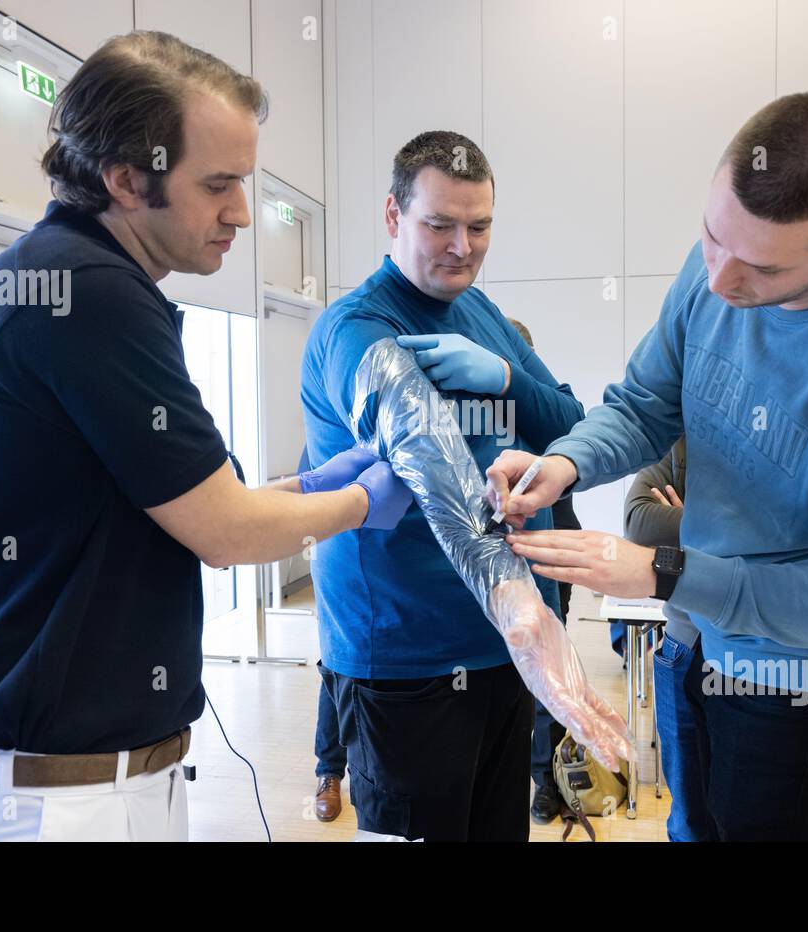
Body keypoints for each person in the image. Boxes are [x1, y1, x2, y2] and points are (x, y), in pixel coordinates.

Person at [0, 31, 411, 843]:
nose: (242, 212)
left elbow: (195, 503)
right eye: (219, 185)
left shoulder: (73, 277)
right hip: (49, 805)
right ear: (126, 179)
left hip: (92, 787)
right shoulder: (84, 290)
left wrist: (308, 491)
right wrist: (357, 501)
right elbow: (225, 531)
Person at [490, 92, 808, 841]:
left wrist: (663, 572)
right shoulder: (717, 263)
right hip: (693, 650)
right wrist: (565, 463)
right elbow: (645, 402)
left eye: (758, 267)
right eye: (712, 239)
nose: (718, 282)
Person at [300, 131, 589, 841]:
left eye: (480, 225)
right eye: (439, 224)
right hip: (409, 659)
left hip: (501, 650)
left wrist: (503, 377)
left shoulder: (482, 314)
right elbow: (431, 456)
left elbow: (570, 424)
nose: (462, 245)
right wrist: (523, 609)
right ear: (393, 216)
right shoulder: (356, 328)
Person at [506, 317, 583, 825]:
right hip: (497, 564)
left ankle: (547, 782)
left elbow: (570, 473)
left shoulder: (549, 414)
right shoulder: (475, 415)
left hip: (550, 554)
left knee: (544, 673)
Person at [621, 438, 712, 842]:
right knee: (688, 817)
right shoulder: (681, 445)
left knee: (738, 813)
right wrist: (715, 528)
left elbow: (781, 532)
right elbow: (639, 521)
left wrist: (686, 519)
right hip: (682, 647)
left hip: (754, 656)